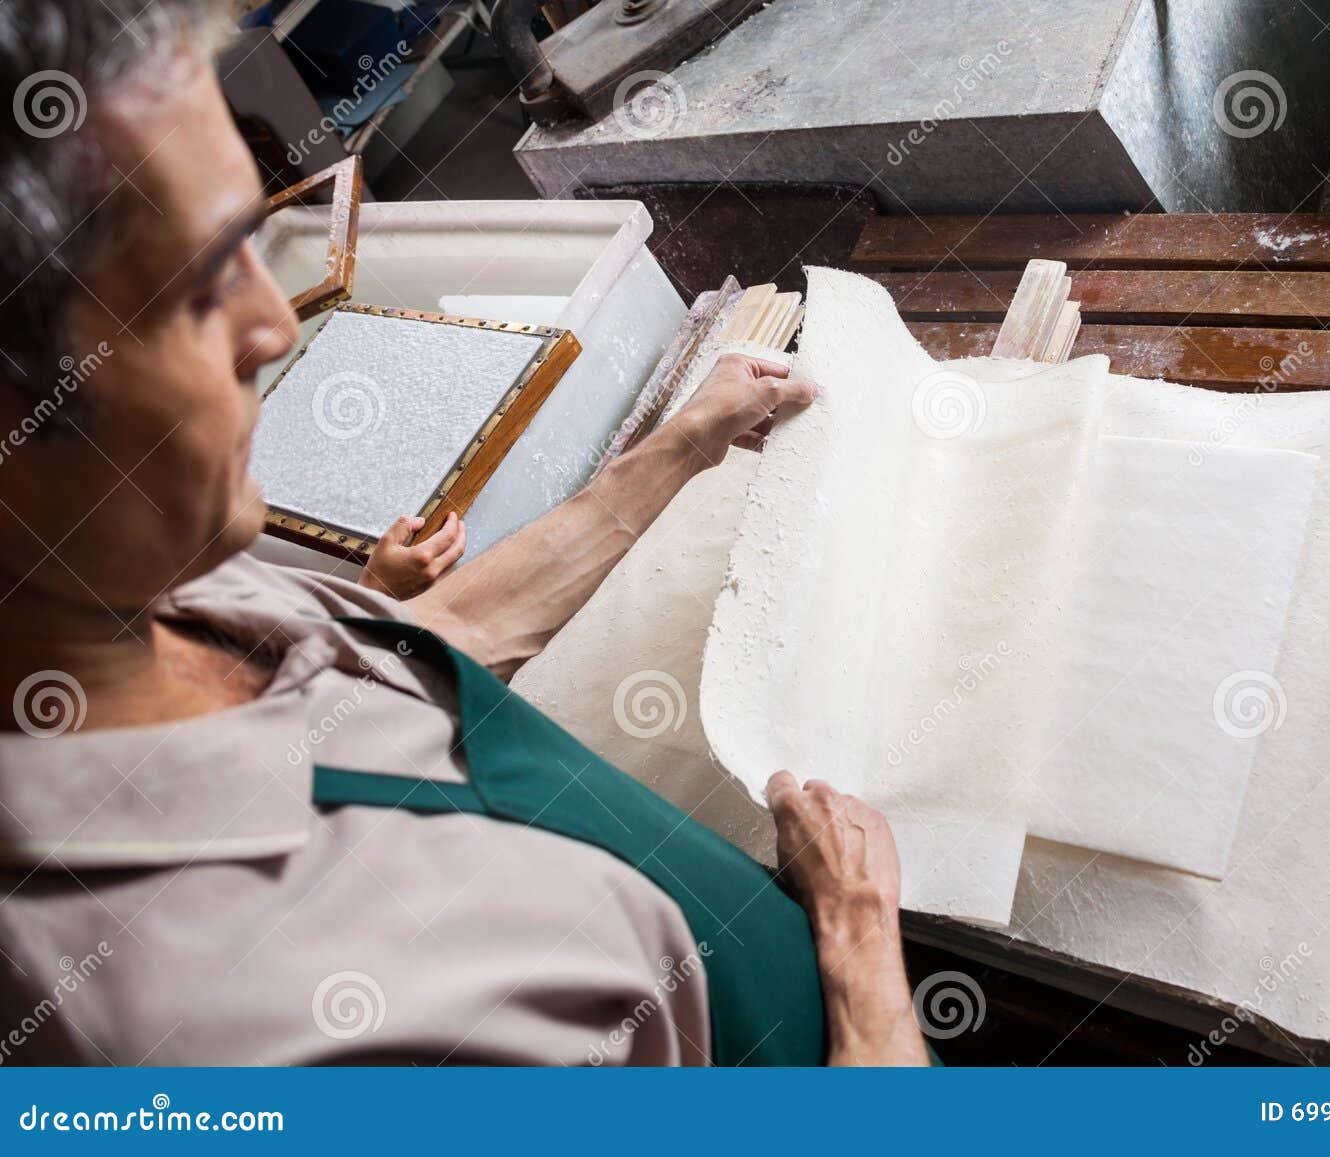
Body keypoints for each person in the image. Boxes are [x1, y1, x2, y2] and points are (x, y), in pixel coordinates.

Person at [0, 0, 929, 1066]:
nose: (272, 323)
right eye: (204, 284)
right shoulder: (229, 1030)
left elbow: (408, 653)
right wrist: (862, 965)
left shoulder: (147, 600)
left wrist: (681, 444)